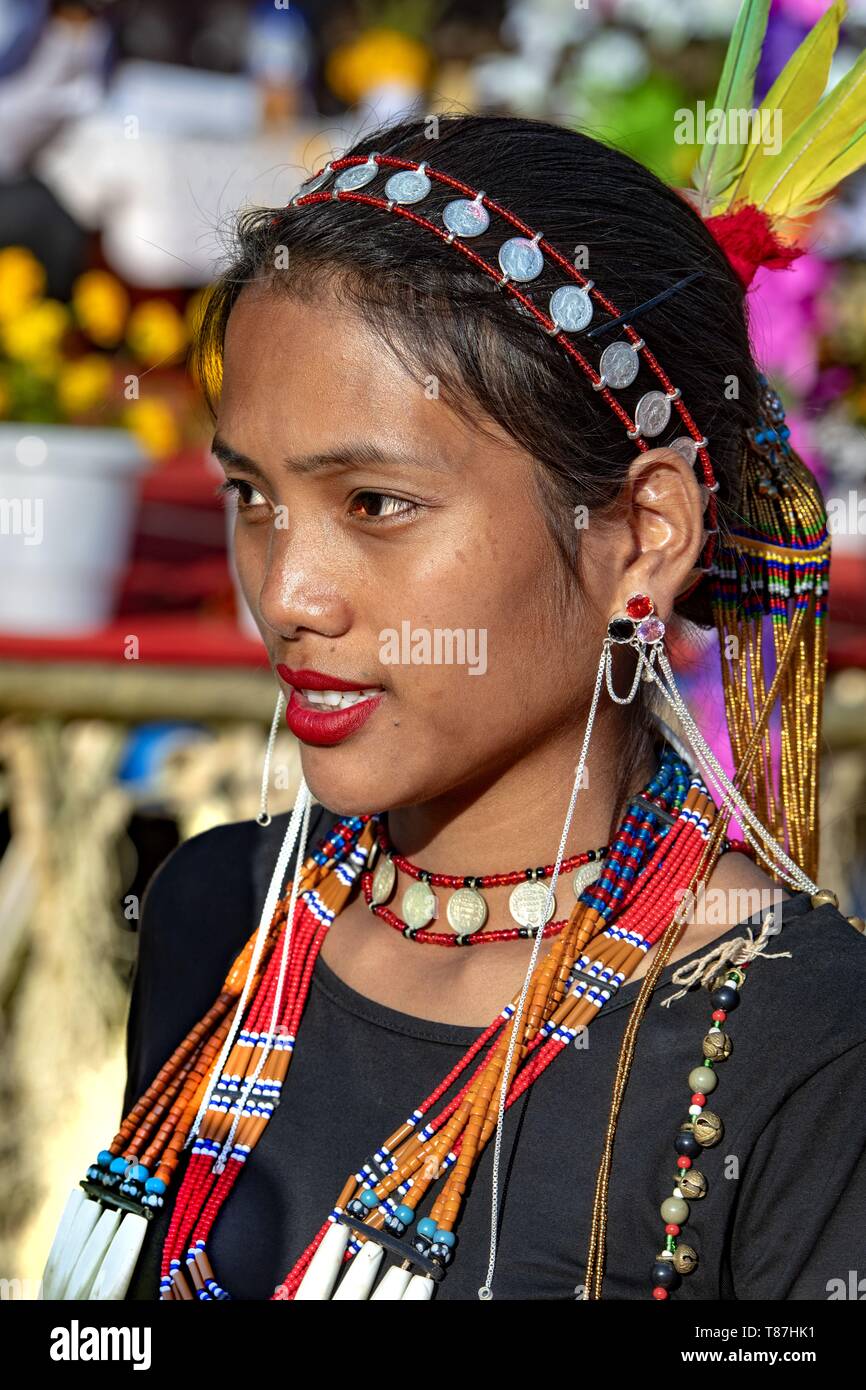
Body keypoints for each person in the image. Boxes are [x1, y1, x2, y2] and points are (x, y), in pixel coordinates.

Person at [41, 3, 866, 1303]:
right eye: (252, 496)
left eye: (374, 504)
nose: (288, 593)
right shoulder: (222, 922)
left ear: (641, 533)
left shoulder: (800, 1042)